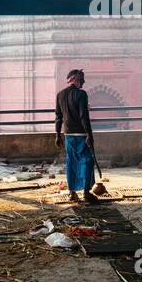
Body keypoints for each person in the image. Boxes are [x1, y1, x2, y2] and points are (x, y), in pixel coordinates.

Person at [55, 68, 98, 204]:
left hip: (68, 135)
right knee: (88, 162)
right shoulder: (81, 94)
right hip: (81, 134)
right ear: (75, 79)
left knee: (71, 162)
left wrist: (57, 135)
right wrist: (89, 135)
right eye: (82, 79)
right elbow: (84, 116)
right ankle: (86, 192)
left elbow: (58, 117)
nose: (84, 82)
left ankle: (72, 193)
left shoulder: (60, 95)